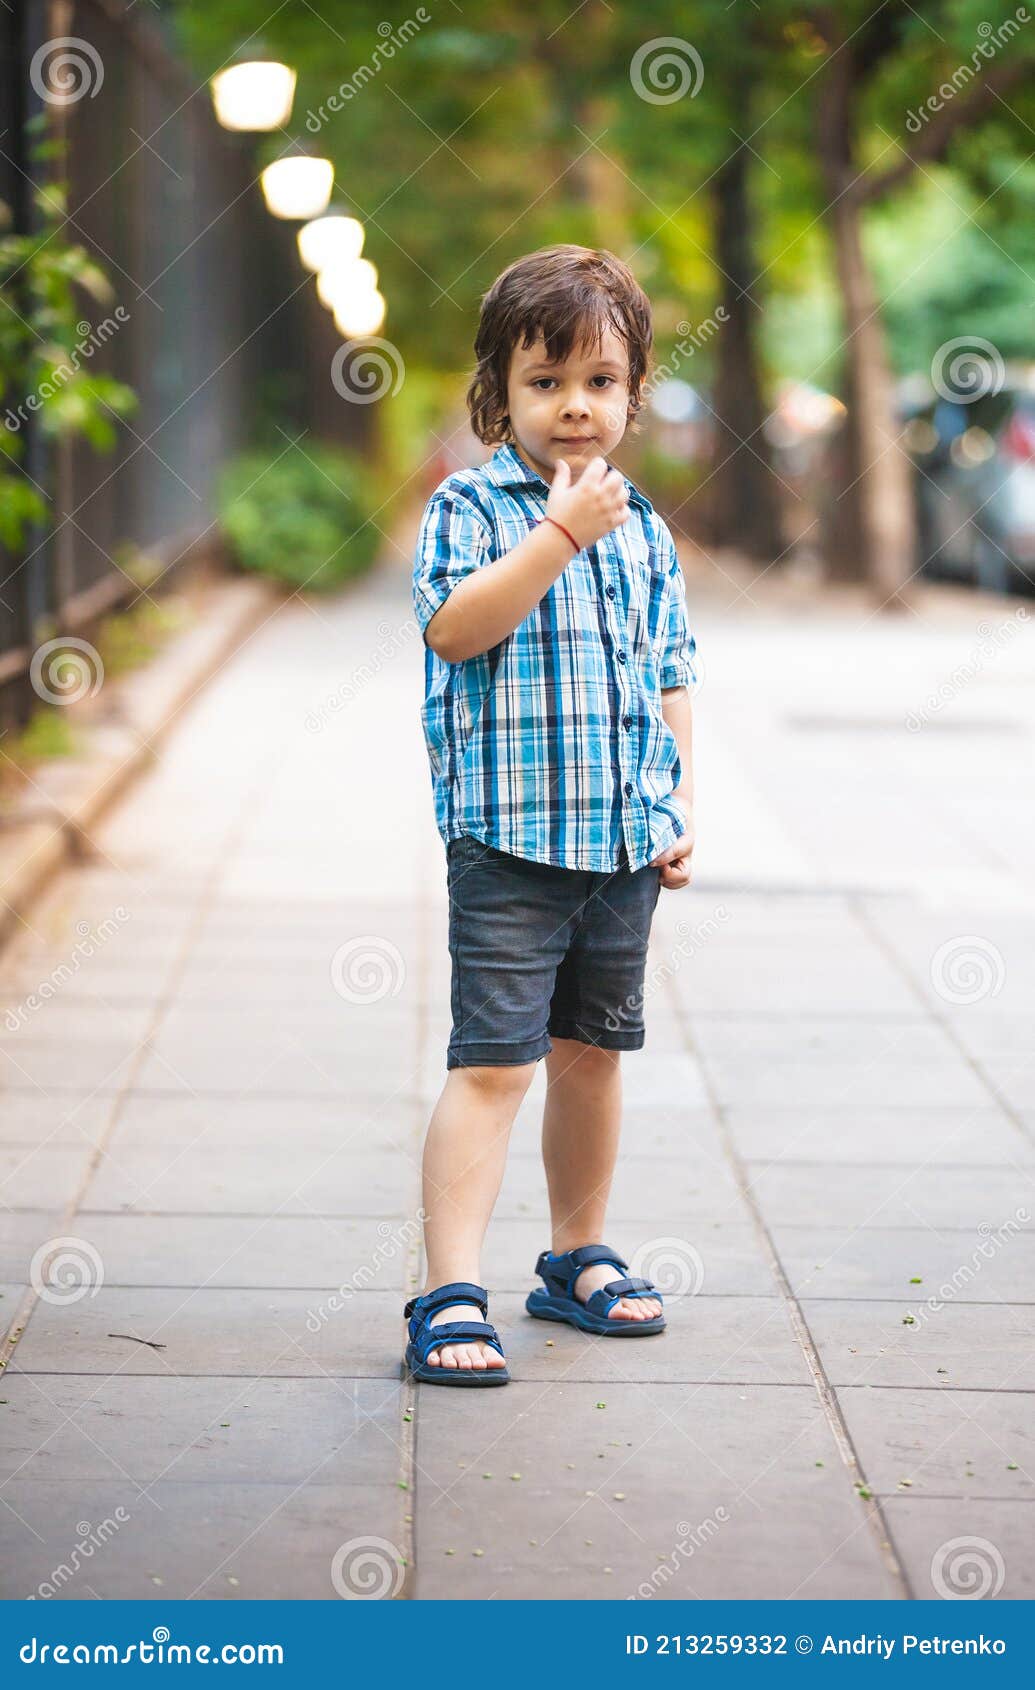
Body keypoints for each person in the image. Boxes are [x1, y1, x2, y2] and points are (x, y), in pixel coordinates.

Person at [407, 245, 698, 1385]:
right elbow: (456, 628)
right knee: (494, 1063)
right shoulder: (470, 508)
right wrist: (560, 533)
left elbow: (669, 670)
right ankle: (448, 1287)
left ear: (630, 393)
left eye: (600, 381)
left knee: (593, 1057)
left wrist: (675, 801)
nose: (574, 406)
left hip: (620, 844)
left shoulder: (651, 530)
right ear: (501, 392)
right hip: (510, 844)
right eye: (545, 381)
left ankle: (574, 1253)